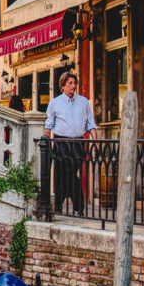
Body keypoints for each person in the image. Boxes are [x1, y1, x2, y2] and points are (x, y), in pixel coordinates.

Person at [44, 72, 96, 214]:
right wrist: (45, 143)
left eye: (74, 83)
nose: (73, 86)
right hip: (61, 142)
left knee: (70, 173)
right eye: (70, 84)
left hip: (78, 143)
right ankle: (77, 207)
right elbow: (48, 125)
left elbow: (90, 122)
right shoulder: (54, 103)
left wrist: (95, 141)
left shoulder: (83, 101)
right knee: (66, 174)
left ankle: (60, 205)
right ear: (62, 86)